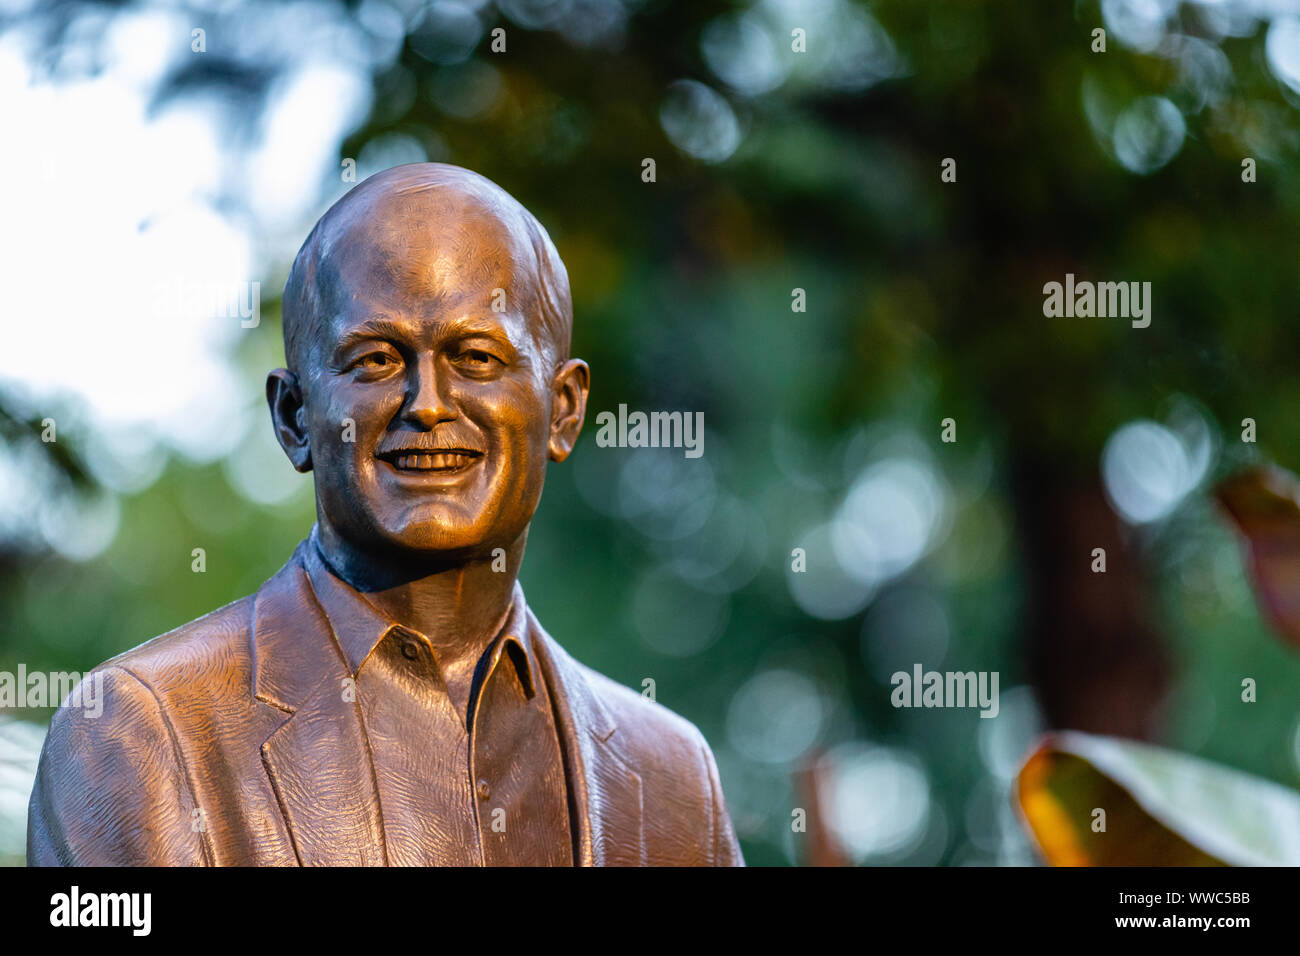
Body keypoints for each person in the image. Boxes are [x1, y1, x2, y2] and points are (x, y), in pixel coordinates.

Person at [27, 163, 743, 866]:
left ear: (563, 410)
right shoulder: (142, 736)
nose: (428, 403)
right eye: (374, 359)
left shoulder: (673, 779)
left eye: (476, 356)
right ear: (294, 417)